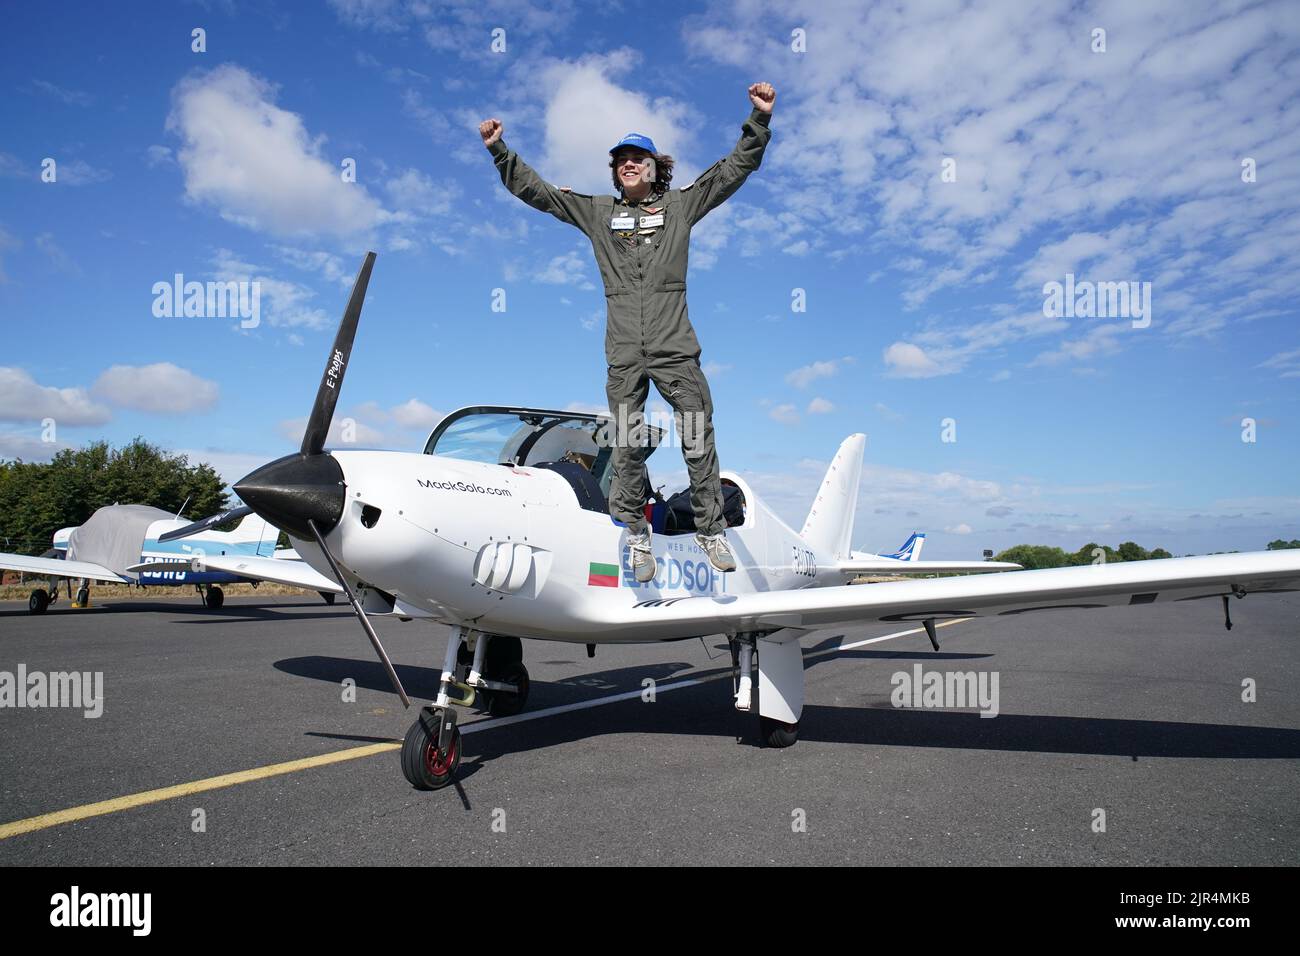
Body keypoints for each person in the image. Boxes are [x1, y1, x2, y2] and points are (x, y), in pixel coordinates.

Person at [479, 82, 775, 583]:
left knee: (697, 436)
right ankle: (637, 535)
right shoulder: (599, 213)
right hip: (623, 353)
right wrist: (500, 153)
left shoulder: (681, 207)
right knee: (627, 441)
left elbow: (733, 171)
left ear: (656, 166)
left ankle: (710, 528)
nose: (628, 165)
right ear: (615, 173)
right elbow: (541, 194)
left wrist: (759, 119)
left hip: (675, 348)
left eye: (638, 158)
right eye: (621, 161)